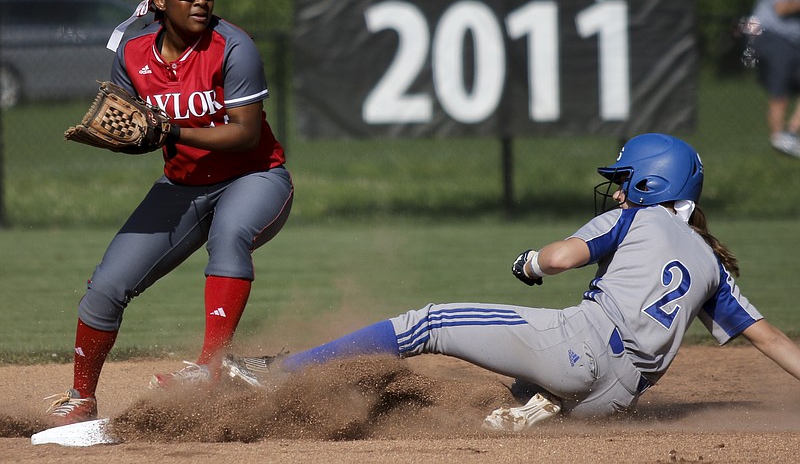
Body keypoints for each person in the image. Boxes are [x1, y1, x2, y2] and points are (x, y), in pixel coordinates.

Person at [222, 133, 800, 430]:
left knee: (428, 322)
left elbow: (563, 258)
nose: (619, 190)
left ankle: (279, 373)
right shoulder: (711, 263)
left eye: (626, 179)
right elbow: (771, 340)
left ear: (653, 183)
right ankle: (536, 402)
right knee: (539, 380)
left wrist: (531, 261)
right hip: (616, 402)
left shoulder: (634, 216)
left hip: (581, 348)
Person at [45, 0, 294, 426]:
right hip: (182, 186)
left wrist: (170, 130)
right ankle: (81, 398)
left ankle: (211, 368)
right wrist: (122, 140)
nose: (200, 1)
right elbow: (142, 133)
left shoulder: (233, 46)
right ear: (158, 1)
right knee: (106, 288)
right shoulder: (133, 52)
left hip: (254, 175)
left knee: (230, 236)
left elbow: (244, 132)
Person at [750, 0, 800, 157]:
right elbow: (781, 7)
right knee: (779, 88)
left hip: (793, 40)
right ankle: (777, 138)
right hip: (771, 35)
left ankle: (790, 136)